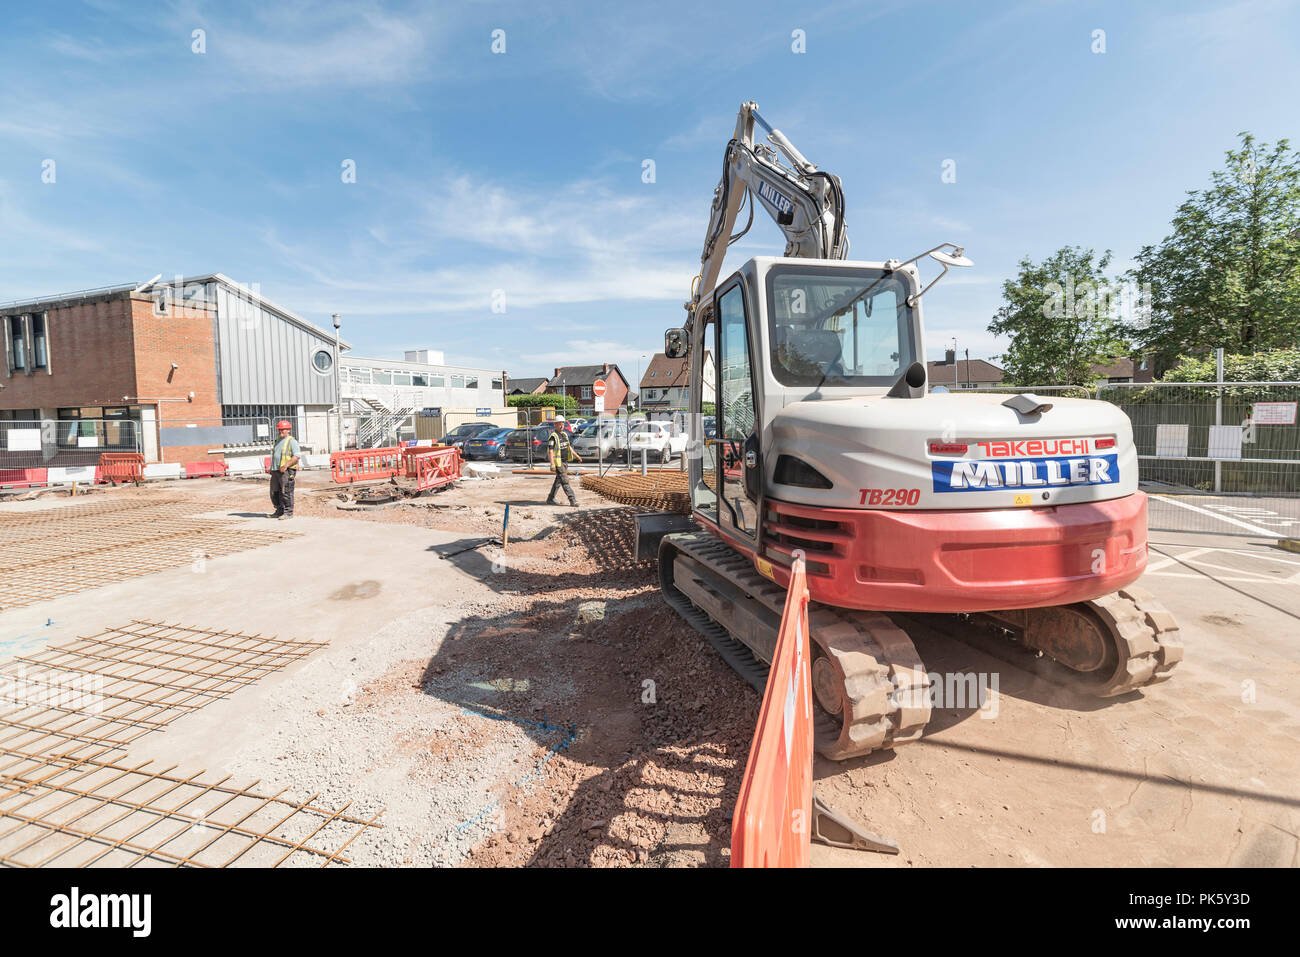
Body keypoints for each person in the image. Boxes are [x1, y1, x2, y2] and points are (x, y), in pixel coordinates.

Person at [545, 414, 581, 507]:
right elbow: (551, 450)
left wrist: (576, 456)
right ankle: (572, 500)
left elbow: (568, 447)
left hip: (565, 462)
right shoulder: (553, 436)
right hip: (558, 463)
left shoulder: (564, 434)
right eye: (559, 424)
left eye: (562, 424)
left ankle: (550, 498)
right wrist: (552, 464)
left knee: (558, 480)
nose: (561, 426)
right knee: (564, 481)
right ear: (555, 425)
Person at [269, 419, 301, 519]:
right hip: (276, 471)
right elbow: (275, 455)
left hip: (286, 471)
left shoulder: (292, 441)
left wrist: (286, 465)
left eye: (283, 430)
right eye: (279, 430)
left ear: (288, 430)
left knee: (286, 491)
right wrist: (272, 467)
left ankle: (288, 512)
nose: (280, 432)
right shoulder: (278, 441)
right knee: (274, 492)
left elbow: (296, 456)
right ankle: (279, 510)